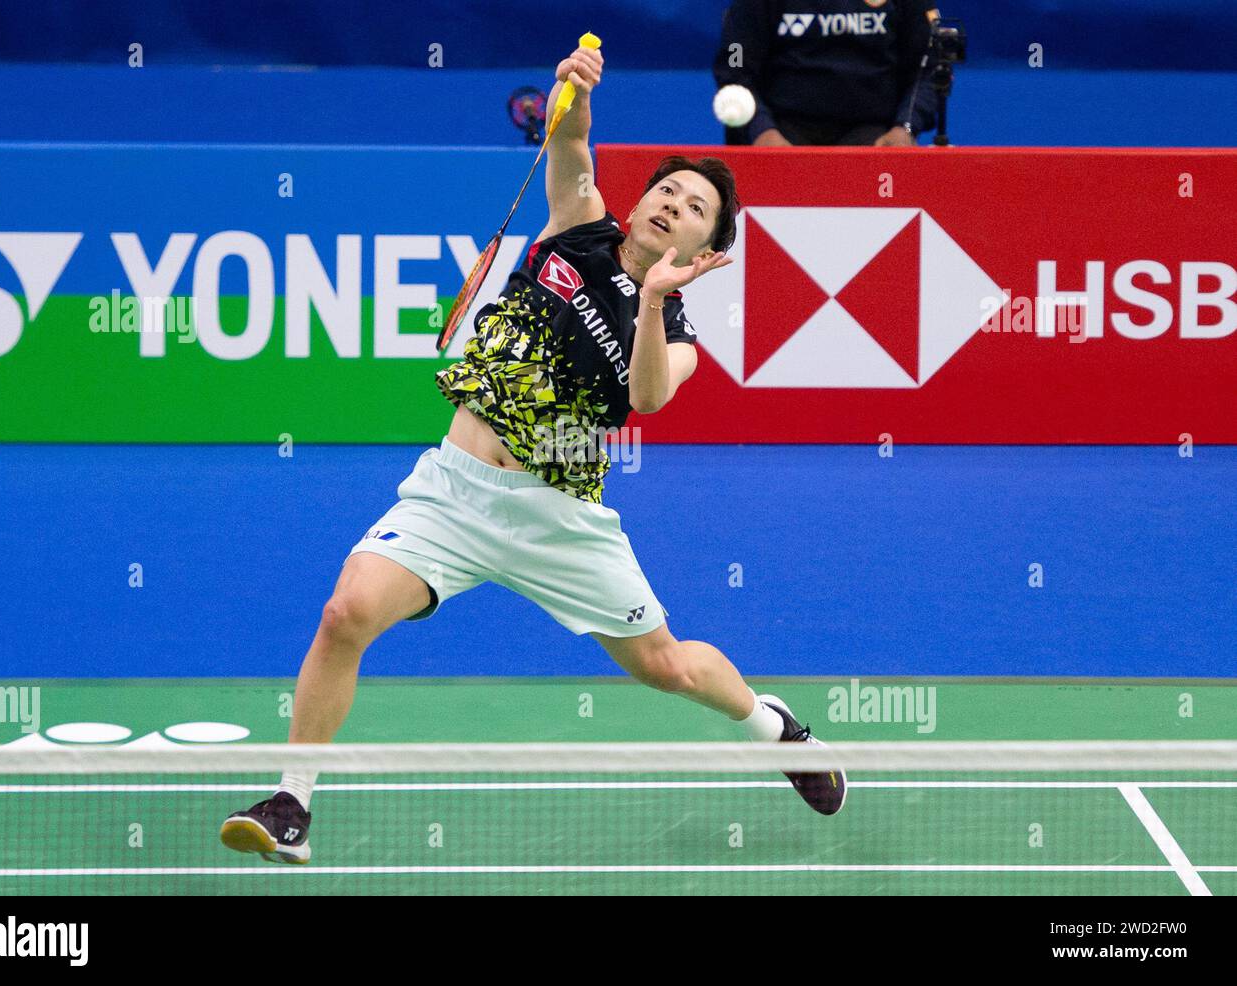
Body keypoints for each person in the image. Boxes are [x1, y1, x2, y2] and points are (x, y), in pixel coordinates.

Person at [220, 39, 846, 865]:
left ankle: (776, 730)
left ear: (703, 249)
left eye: (693, 207)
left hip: (560, 520)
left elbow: (648, 396)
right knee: (345, 614)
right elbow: (572, 144)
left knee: (666, 666)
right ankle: (292, 802)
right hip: (453, 491)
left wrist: (654, 301)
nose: (670, 204)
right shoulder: (578, 227)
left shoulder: (681, 333)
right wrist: (573, 90)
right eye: (665, 189)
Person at [715, 0, 939, 147]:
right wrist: (761, 129)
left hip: (875, 133)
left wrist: (906, 127)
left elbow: (928, 68)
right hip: (781, 131)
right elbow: (735, 66)